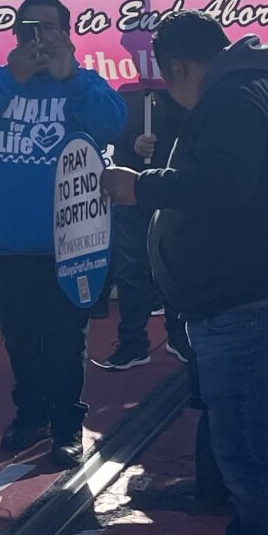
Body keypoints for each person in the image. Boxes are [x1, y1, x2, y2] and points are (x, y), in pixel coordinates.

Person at [104, 13, 268, 535]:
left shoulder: (231, 97)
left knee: (251, 461)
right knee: (240, 455)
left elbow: (222, 187)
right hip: (248, 300)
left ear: (177, 70)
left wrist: (139, 187)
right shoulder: (249, 87)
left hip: (252, 305)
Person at [0, 0, 125, 466]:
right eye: (29, 30)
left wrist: (69, 76)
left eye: (48, 29)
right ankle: (30, 414)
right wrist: (14, 77)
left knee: (68, 340)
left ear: (68, 35)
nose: (39, 39)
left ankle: (68, 426)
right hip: (6, 241)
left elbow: (112, 125)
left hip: (71, 243)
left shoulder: (84, 83)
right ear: (14, 36)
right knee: (19, 338)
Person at [100, 85, 181, 371]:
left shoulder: (175, 87)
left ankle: (179, 335)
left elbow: (191, 126)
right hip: (130, 190)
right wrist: (131, 141)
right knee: (130, 268)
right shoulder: (121, 91)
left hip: (171, 187)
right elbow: (107, 128)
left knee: (173, 264)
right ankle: (133, 342)